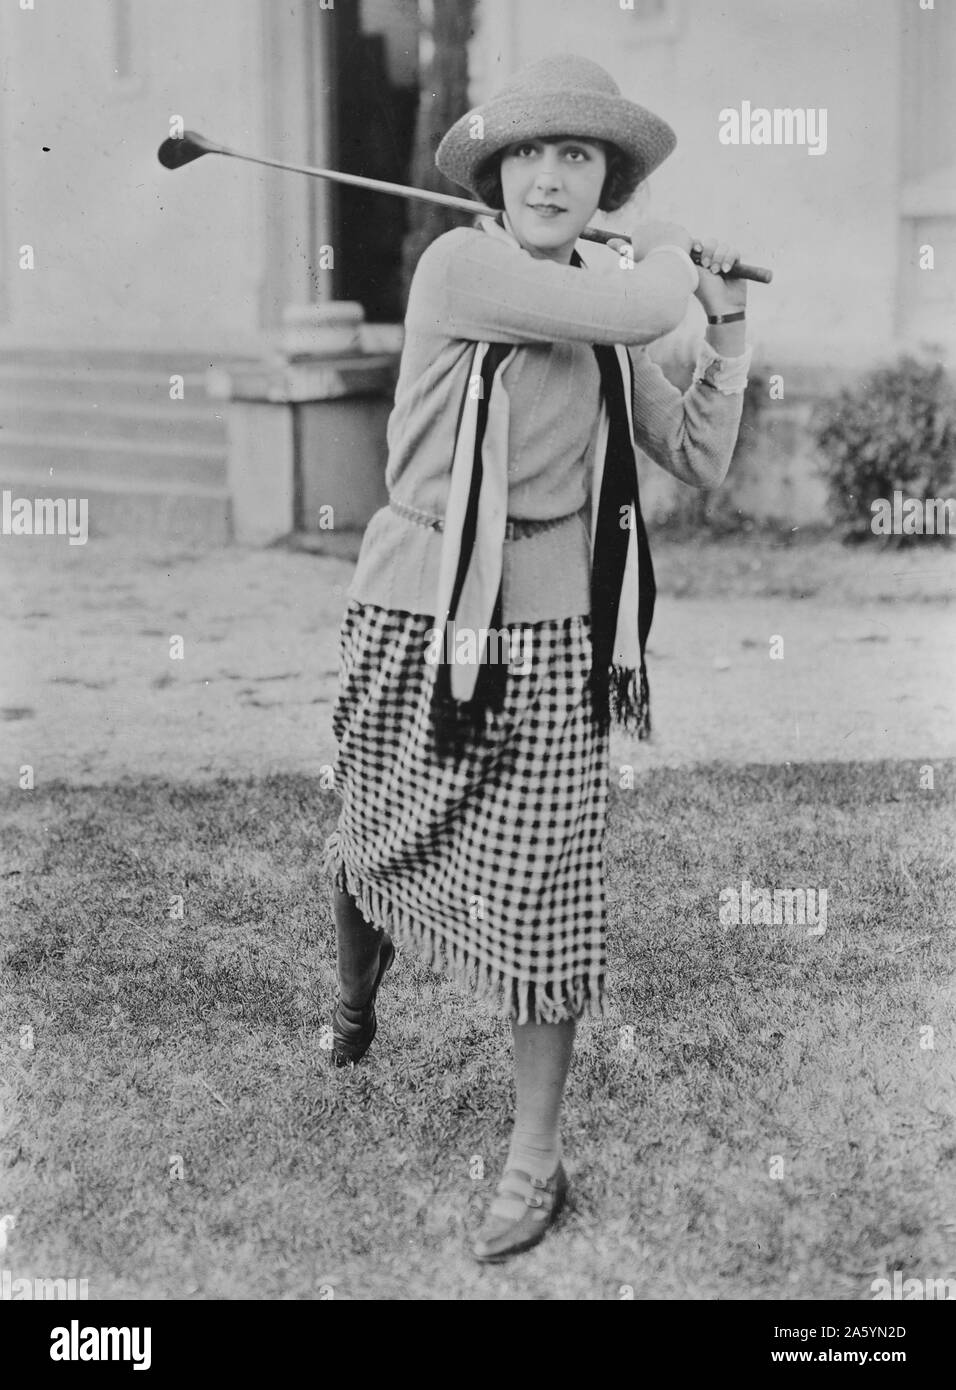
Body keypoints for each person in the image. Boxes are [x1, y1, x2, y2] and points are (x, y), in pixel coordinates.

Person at [322, 54, 753, 1262]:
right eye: (529, 153)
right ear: (496, 173)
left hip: (555, 627)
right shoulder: (463, 268)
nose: (551, 176)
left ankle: (531, 1160)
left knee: (545, 897)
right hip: (416, 605)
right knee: (371, 839)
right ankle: (355, 1000)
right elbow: (627, 304)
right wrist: (666, 263)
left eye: (577, 155)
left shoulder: (610, 310)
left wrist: (722, 318)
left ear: (602, 176)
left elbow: (697, 453)